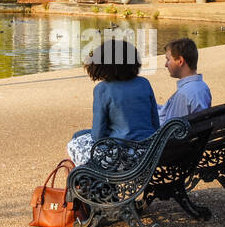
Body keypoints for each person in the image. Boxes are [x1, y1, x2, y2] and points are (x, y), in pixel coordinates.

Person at [66, 38, 161, 166]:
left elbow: (98, 135)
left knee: (74, 142)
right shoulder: (144, 83)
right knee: (80, 134)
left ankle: (85, 180)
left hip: (122, 154)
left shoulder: (103, 89)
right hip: (148, 149)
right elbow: (155, 123)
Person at [157, 37, 212, 124]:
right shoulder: (202, 87)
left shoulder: (184, 94)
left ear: (180, 61)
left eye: (168, 60)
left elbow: (169, 128)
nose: (165, 65)